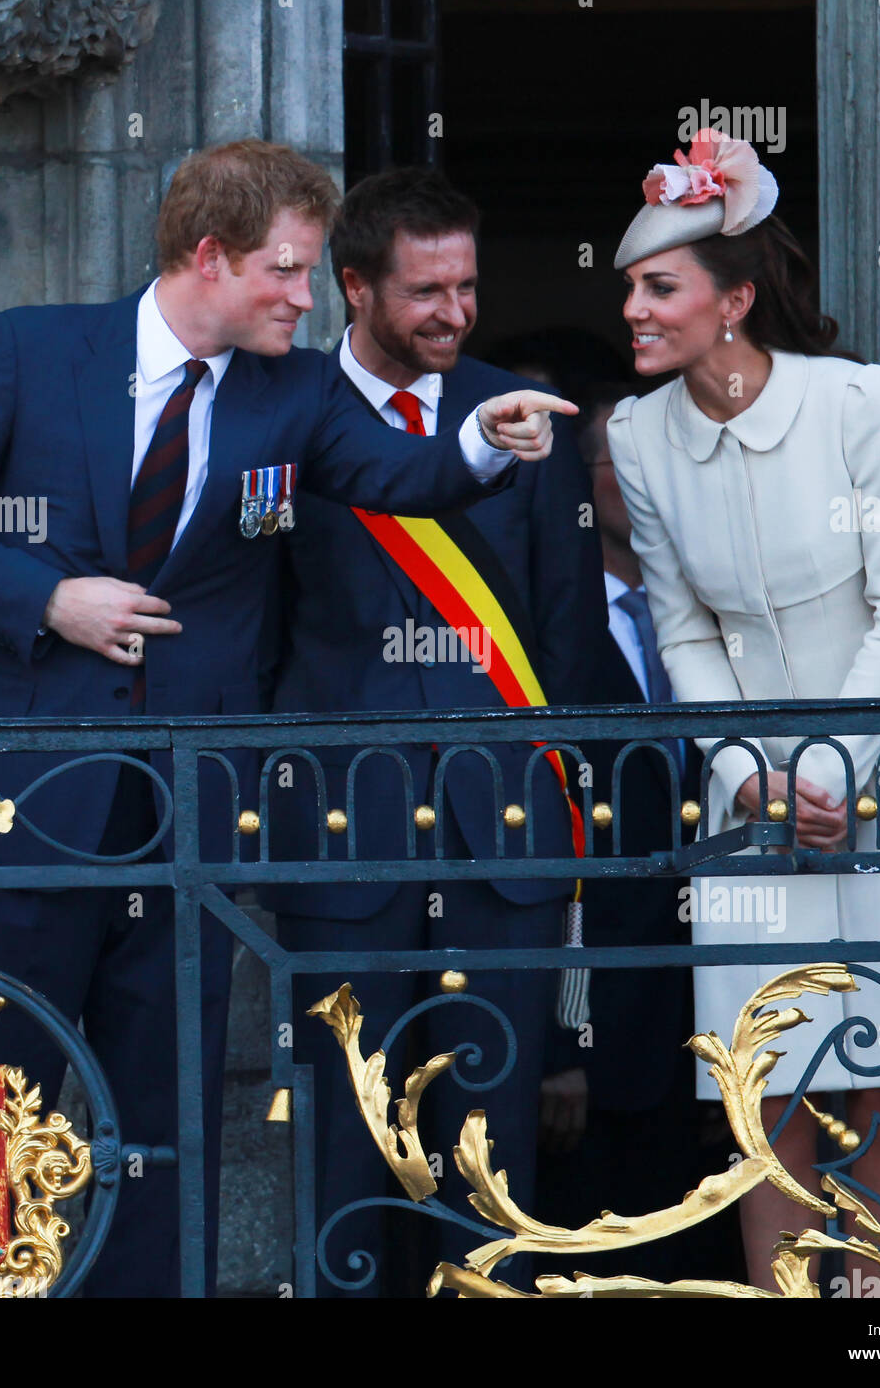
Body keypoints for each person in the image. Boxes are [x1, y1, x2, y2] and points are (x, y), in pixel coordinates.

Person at [0, 140, 572, 1298]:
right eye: (289, 272)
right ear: (212, 257)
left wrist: (484, 443)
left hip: (189, 812)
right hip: (24, 800)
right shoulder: (34, 349)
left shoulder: (291, 392)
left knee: (162, 1116)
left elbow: (403, 475)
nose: (309, 297)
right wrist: (44, 596)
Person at [605, 125, 880, 1288]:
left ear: (733, 299)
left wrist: (831, 775)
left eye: (659, 287)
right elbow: (681, 630)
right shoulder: (637, 432)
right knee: (769, 1075)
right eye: (630, 289)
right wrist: (750, 774)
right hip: (746, 783)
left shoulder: (856, 400)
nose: (634, 309)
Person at [258, 165, 609, 1296]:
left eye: (465, 286)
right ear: (351, 286)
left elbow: (563, 641)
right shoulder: (281, 414)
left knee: (487, 1163)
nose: (453, 312)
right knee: (347, 1158)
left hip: (499, 837)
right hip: (339, 835)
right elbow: (251, 629)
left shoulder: (524, 418)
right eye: (424, 291)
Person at [534, 383, 745, 1283]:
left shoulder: (730, 619)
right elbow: (543, 849)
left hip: (713, 1039)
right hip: (597, 1048)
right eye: (631, 466)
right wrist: (557, 1045)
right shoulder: (548, 628)